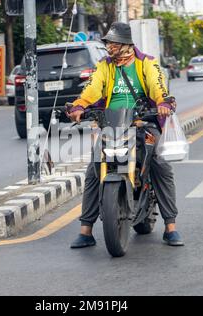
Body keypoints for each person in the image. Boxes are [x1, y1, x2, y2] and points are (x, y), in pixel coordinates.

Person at [67, 22, 184, 249]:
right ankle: (86, 230)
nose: (109, 47)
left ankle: (171, 226)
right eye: (108, 43)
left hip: (143, 123)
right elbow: (92, 88)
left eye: (112, 43)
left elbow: (157, 84)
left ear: (125, 44)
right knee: (94, 168)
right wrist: (80, 105)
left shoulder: (146, 63)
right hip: (113, 125)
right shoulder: (104, 66)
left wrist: (162, 102)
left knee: (160, 165)